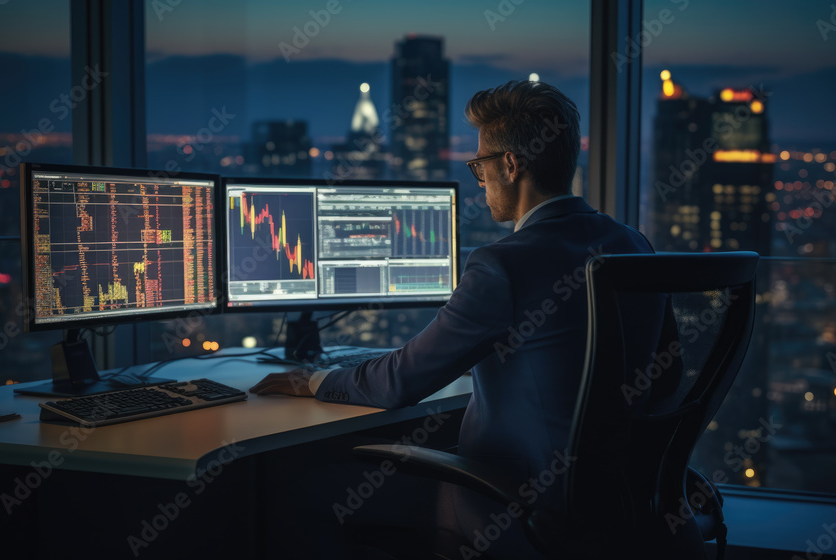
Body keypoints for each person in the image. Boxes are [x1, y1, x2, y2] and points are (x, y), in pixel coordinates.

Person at [250, 80, 657, 557]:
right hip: (620, 503)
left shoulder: (503, 264)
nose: (479, 180)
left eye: (480, 165)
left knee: (299, 491)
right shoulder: (633, 245)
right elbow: (653, 373)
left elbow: (400, 382)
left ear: (510, 165)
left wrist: (313, 380)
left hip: (515, 502)